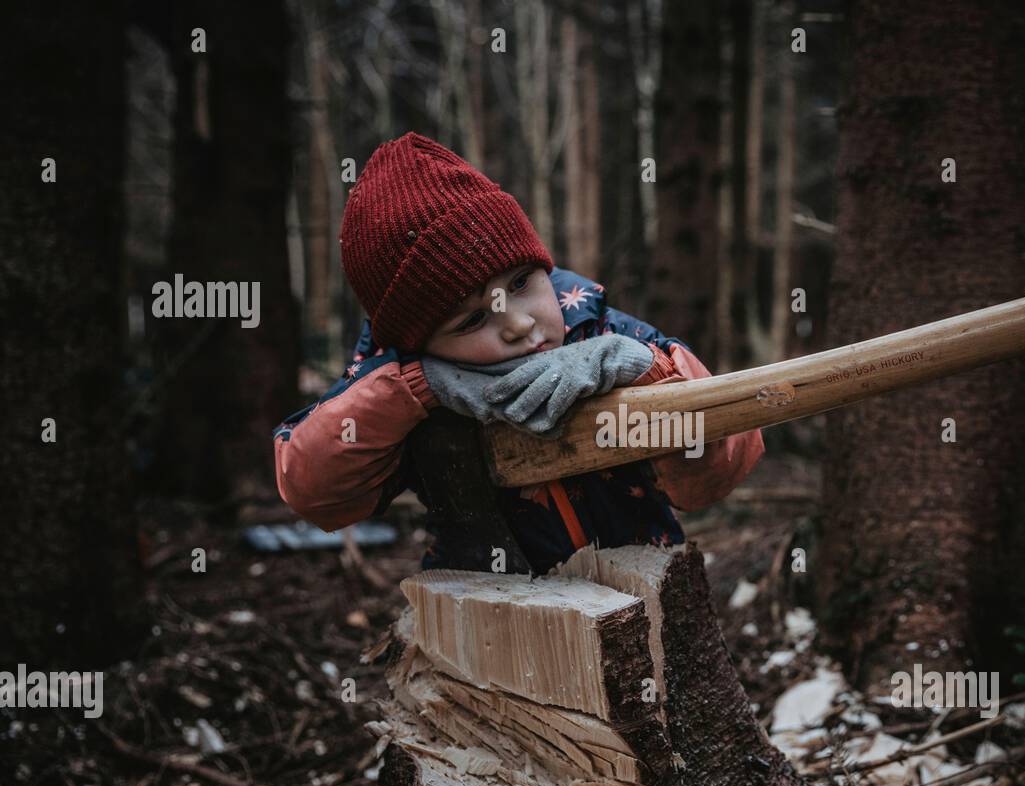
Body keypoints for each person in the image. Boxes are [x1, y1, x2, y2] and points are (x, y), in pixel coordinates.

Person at [272, 132, 763, 574]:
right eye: (472, 320)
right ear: (420, 341)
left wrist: (643, 369)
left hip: (648, 602)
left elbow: (722, 464)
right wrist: (419, 388)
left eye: (522, 282)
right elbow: (316, 494)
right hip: (489, 629)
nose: (521, 323)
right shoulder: (396, 382)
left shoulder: (603, 332)